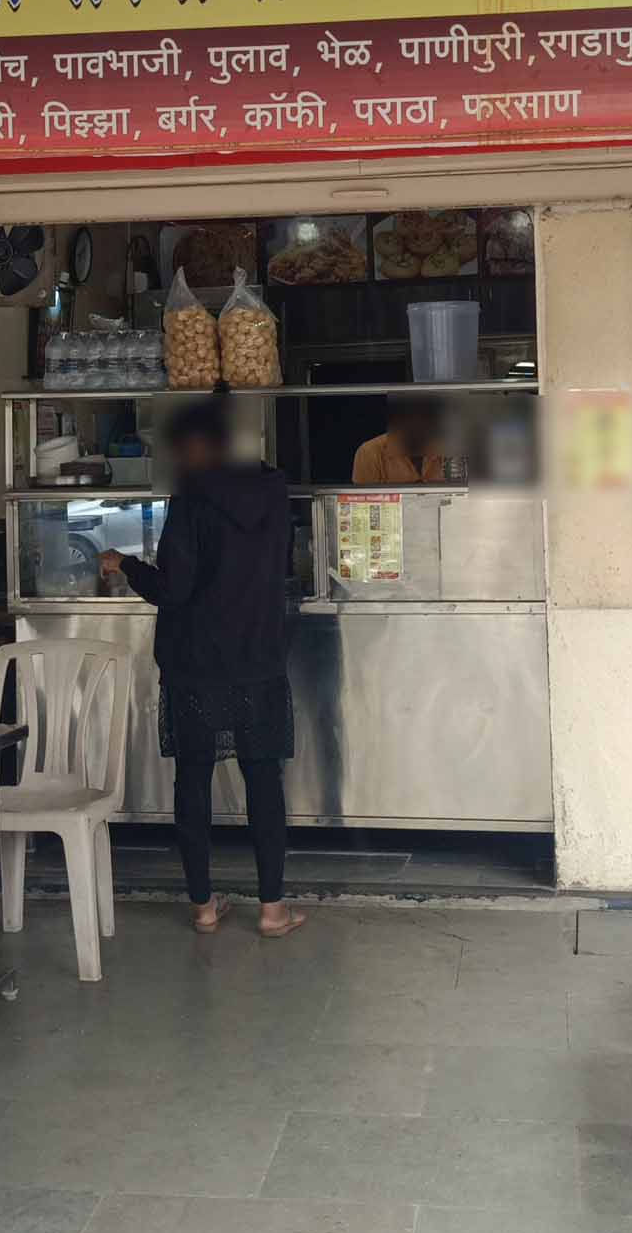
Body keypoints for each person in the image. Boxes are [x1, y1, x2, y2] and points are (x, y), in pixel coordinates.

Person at [100, 398, 304, 938]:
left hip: (195, 667)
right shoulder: (272, 490)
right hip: (257, 660)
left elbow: (175, 588)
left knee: (192, 779)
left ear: (192, 447)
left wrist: (126, 566)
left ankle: (204, 907)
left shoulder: (190, 500)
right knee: (263, 780)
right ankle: (272, 909)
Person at [352, 395, 447, 484]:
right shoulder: (370, 453)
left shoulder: (446, 448)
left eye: (425, 415)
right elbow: (363, 500)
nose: (417, 422)